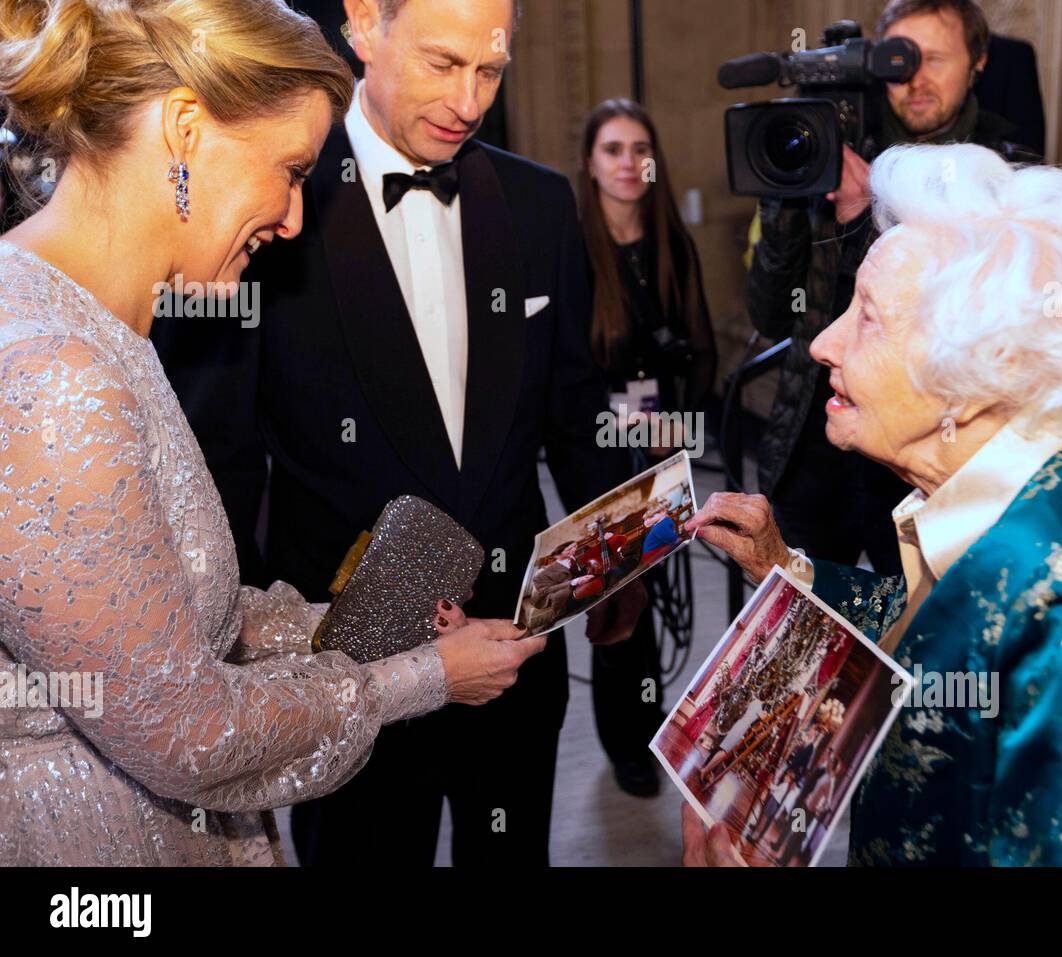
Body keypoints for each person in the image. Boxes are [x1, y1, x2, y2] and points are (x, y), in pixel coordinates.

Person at [0, 0, 542, 866]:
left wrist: (376, 625)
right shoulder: (56, 374)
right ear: (184, 130)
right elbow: (186, 732)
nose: (294, 218)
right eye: (290, 170)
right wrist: (425, 678)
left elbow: (162, 620)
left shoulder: (98, 330)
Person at [149, 0, 645, 866]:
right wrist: (228, 647)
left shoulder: (537, 204)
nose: (469, 100)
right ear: (364, 28)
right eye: (442, 64)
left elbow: (577, 410)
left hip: (512, 649)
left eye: (490, 71)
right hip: (344, 663)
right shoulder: (271, 198)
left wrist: (618, 565)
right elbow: (219, 458)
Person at [684, 144, 1062, 867]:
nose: (825, 345)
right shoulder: (1031, 481)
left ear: (982, 373)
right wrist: (792, 570)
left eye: (868, 317)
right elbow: (943, 621)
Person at [746, 0, 1038, 579]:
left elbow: (968, 334)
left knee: (910, 639)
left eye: (934, 58)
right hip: (816, 442)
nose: (915, 78)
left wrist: (862, 218)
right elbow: (772, 314)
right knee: (802, 628)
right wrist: (785, 190)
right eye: (898, 60)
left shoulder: (1009, 174)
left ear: (978, 62)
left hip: (924, 459)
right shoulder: (831, 148)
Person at [577, 98, 717, 796]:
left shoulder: (672, 242)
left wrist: (680, 428)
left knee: (655, 594)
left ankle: (650, 721)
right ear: (590, 163)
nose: (629, 162)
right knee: (617, 604)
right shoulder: (573, 247)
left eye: (639, 148)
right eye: (613, 149)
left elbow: (703, 354)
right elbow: (564, 369)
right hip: (602, 462)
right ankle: (624, 746)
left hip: (663, 454)